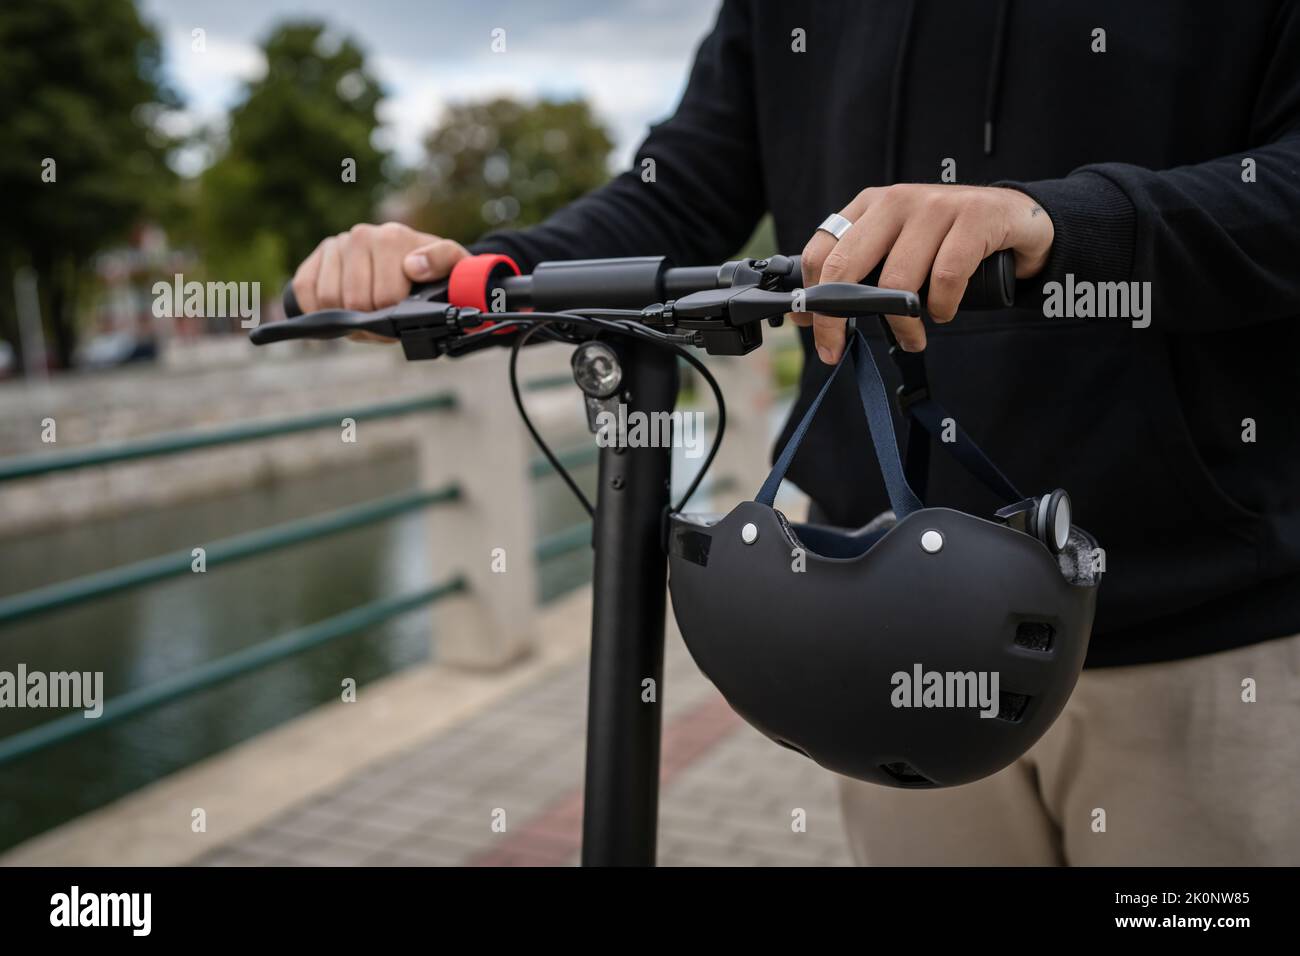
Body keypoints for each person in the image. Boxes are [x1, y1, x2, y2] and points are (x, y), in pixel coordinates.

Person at [290, 1, 1300, 865]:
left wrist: (1061, 225)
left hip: (1205, 626)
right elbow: (684, 187)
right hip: (882, 627)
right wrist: (476, 273)